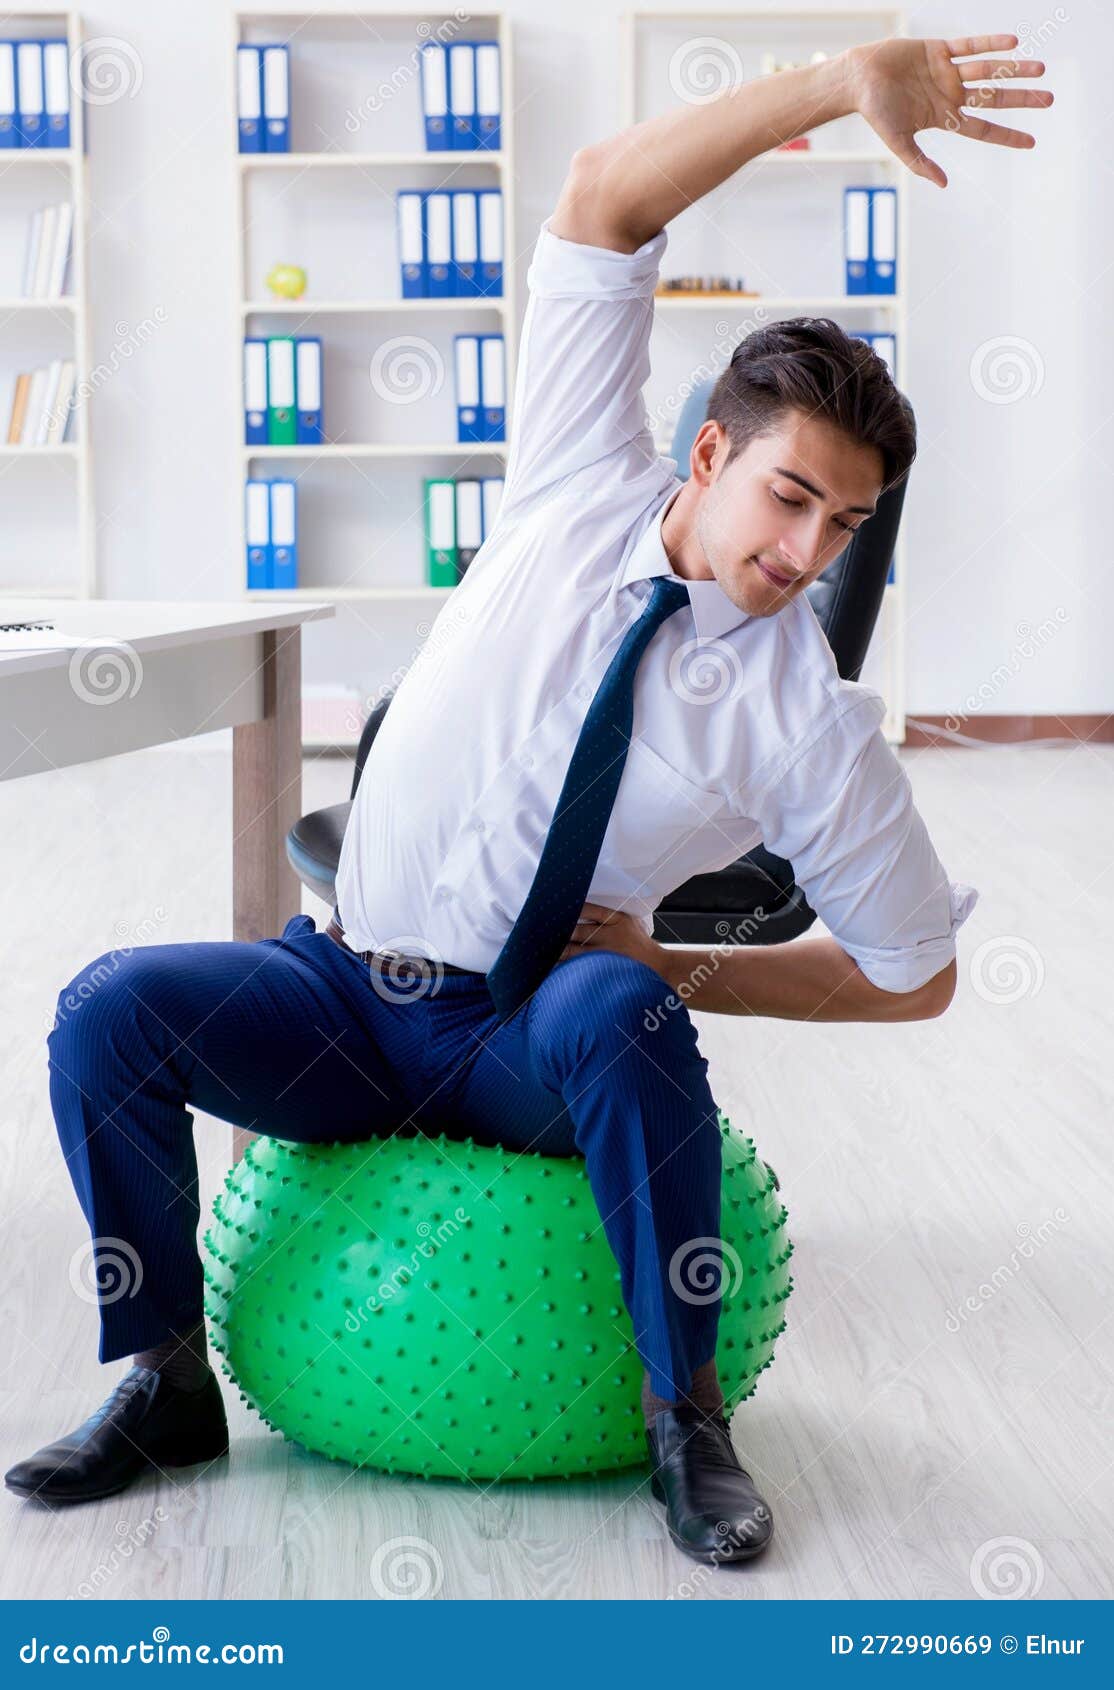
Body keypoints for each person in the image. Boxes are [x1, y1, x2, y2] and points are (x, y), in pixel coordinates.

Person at [7, 30, 1051, 1567]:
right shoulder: (572, 477)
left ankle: (682, 1420)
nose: (808, 550)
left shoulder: (809, 721)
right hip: (344, 989)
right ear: (705, 454)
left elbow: (916, 975)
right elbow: (605, 195)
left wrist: (683, 967)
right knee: (108, 1009)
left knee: (620, 1019)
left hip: (525, 1039)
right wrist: (835, 86)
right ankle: (163, 1379)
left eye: (844, 522)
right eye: (787, 495)